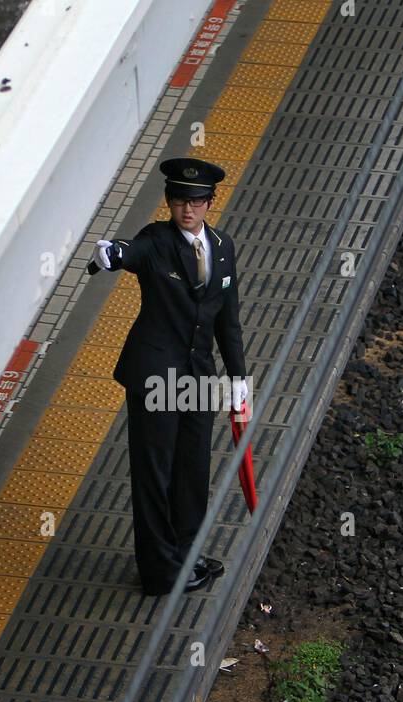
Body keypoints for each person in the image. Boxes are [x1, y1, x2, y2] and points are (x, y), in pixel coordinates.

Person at [93, 157, 249, 595]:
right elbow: (131, 251)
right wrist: (112, 253)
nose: (188, 210)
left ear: (209, 203)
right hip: (155, 375)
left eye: (197, 202)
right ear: (169, 202)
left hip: (198, 377)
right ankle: (161, 572)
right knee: (155, 472)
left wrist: (237, 378)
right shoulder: (157, 240)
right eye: (180, 201)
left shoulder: (222, 246)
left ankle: (186, 553)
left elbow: (227, 320)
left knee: (193, 468)